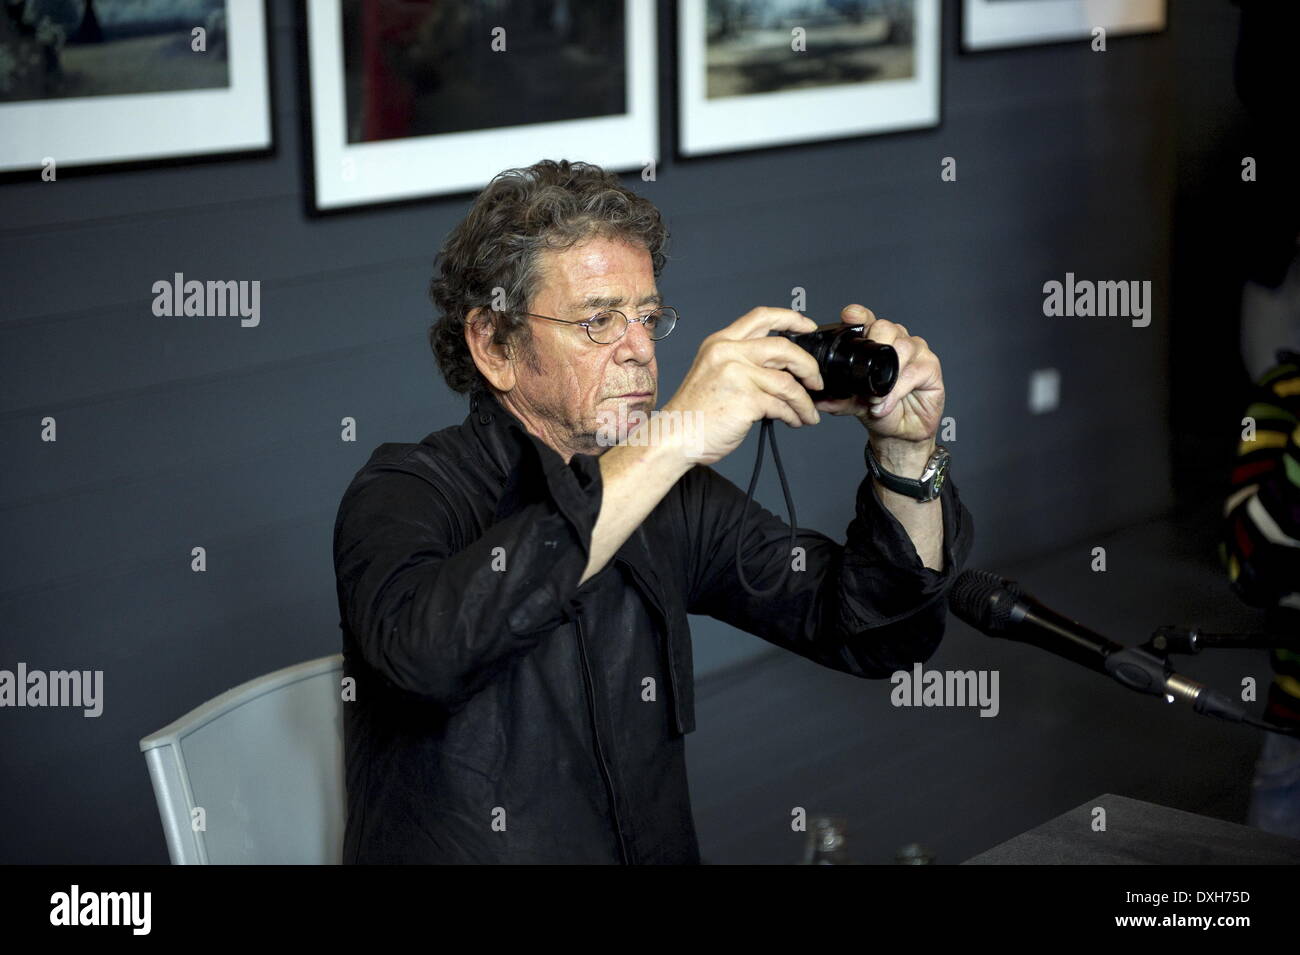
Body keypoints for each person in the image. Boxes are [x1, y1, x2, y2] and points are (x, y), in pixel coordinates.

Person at [332, 159, 974, 863]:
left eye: (647, 316)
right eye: (599, 320)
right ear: (494, 343)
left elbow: (871, 629)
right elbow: (426, 655)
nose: (639, 350)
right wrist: (674, 438)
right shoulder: (405, 487)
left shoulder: (670, 495)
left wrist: (906, 458)